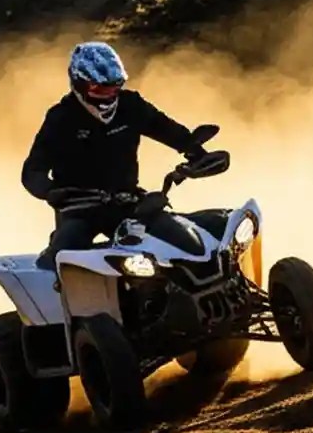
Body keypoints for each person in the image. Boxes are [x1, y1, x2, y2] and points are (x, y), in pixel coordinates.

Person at [22, 40, 208, 269]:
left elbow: (166, 129)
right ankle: (58, 301)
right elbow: (32, 170)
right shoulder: (61, 118)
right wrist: (50, 192)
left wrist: (195, 150)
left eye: (115, 87)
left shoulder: (131, 105)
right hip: (80, 210)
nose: (109, 95)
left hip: (129, 202)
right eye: (100, 89)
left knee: (184, 241)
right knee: (58, 260)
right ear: (79, 85)